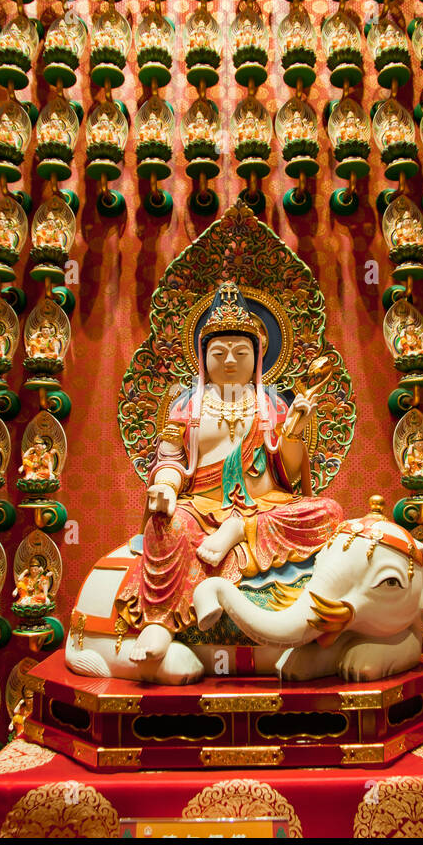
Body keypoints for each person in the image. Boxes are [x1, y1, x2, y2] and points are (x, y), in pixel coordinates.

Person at [114, 283, 344, 662]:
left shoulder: (271, 406)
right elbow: (169, 458)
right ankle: (158, 621)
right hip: (200, 506)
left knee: (329, 512)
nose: (231, 360)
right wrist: (167, 487)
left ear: (259, 356)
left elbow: (286, 472)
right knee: (164, 525)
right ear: (203, 358)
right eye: (219, 353)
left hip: (265, 506)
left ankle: (239, 529)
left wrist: (295, 429)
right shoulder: (186, 407)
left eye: (242, 352)